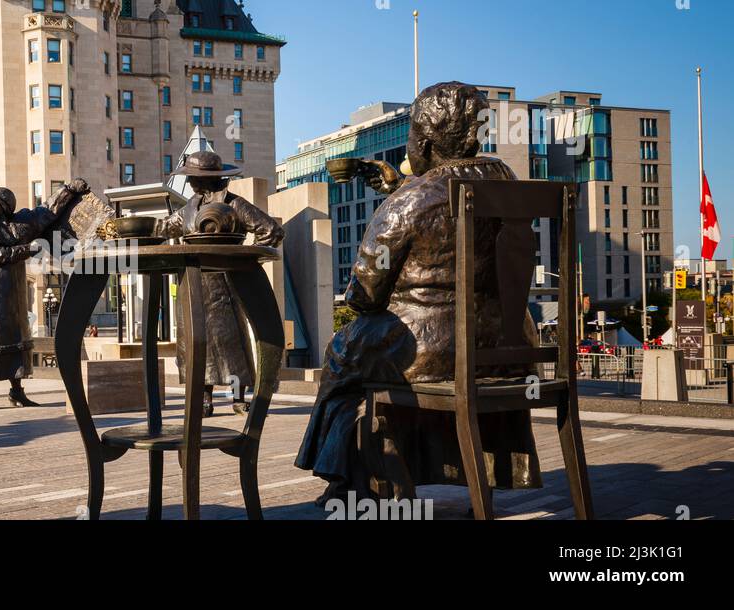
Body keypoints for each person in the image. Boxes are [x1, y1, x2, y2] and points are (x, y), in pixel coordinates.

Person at [295, 82, 543, 502]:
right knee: (374, 358)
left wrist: (401, 197)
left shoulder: (408, 203)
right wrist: (402, 188)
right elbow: (454, 209)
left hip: (431, 350)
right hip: (507, 347)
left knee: (344, 356)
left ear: (423, 142)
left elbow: (364, 295)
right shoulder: (505, 179)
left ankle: (358, 482)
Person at [156, 151, 284, 417]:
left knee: (230, 343)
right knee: (195, 342)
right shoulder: (191, 206)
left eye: (192, 177)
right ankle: (203, 400)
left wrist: (244, 262)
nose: (189, 181)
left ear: (206, 178)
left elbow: (271, 230)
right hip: (192, 284)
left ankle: (238, 398)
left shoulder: (234, 204)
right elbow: (166, 227)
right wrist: (127, 227)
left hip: (223, 286)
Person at [0, 181, 88, 411]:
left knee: (17, 336)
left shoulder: (19, 224)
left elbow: (47, 210)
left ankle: (17, 392)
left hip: (14, 291)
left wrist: (70, 190)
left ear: (6, 206)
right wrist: (28, 249)